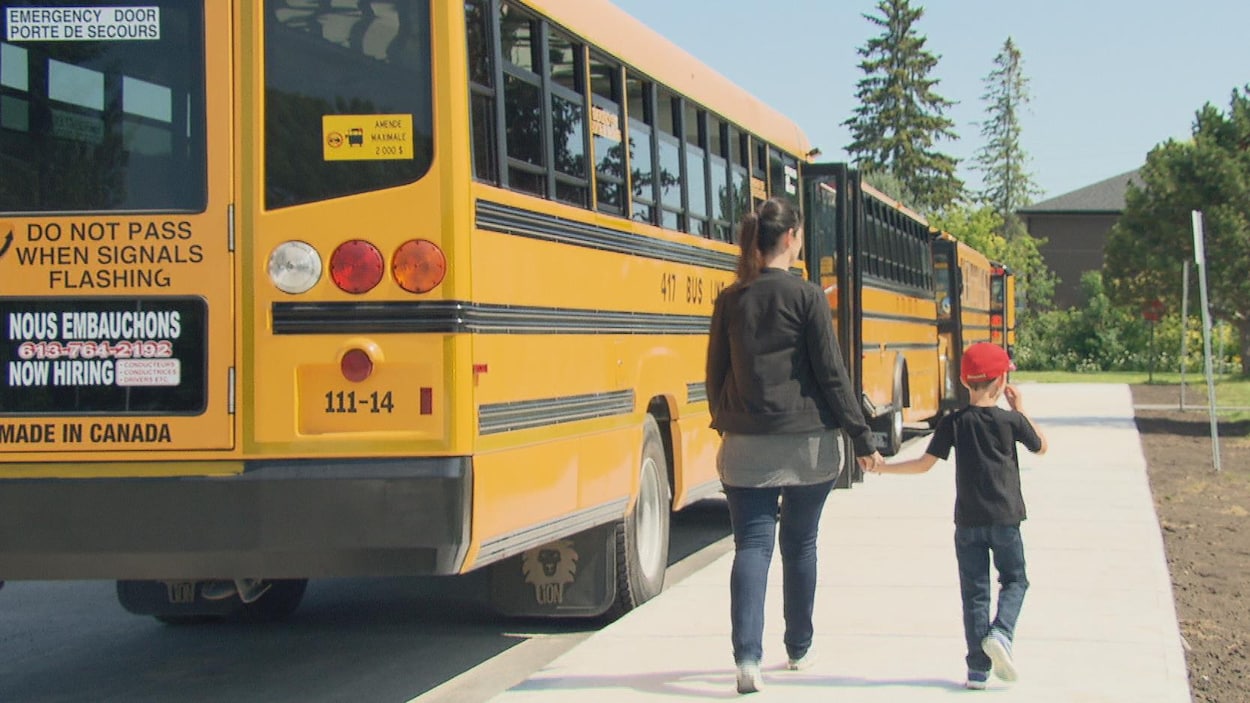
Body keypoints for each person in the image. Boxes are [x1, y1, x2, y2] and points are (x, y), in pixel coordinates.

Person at [706, 196, 883, 695]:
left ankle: (747, 657)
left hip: (746, 446)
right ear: (790, 238)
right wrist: (861, 436)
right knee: (801, 543)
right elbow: (832, 374)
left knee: (752, 547)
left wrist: (731, 422)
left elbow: (714, 374)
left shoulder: (730, 299)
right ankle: (799, 646)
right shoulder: (806, 297)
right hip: (807, 447)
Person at [868, 342, 1048, 690]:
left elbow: (923, 465)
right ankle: (1002, 632)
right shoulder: (1011, 421)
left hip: (967, 522)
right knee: (1015, 580)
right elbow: (1042, 446)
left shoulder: (953, 423)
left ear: (965, 383)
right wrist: (1022, 409)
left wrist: (884, 468)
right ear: (1000, 382)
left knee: (975, 592)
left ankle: (977, 670)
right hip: (1006, 520)